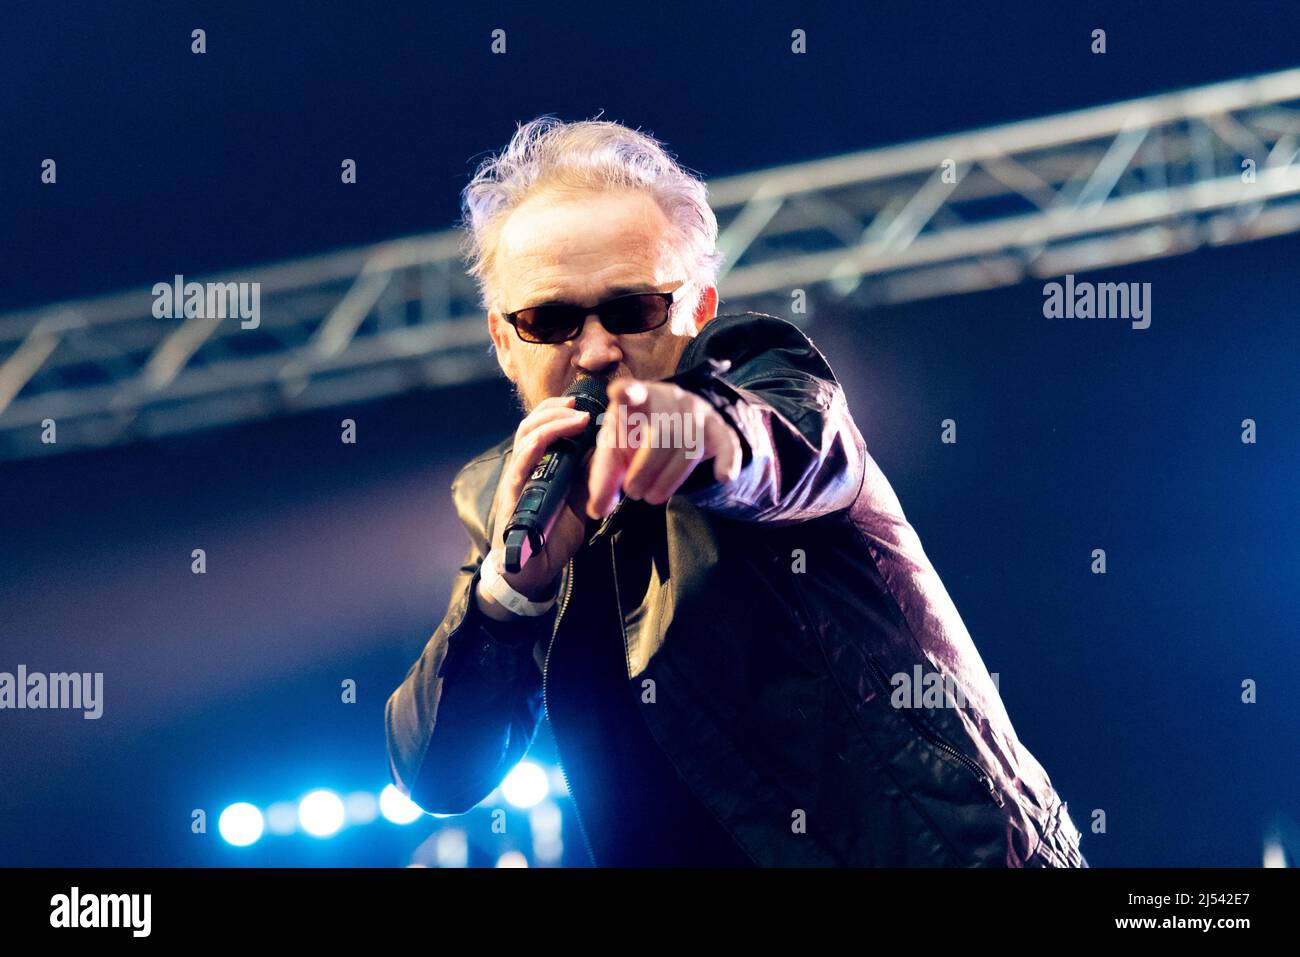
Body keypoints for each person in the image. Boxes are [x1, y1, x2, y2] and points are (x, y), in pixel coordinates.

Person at [385, 115, 1087, 867]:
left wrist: (701, 436)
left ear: (698, 310)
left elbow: (788, 445)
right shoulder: (508, 496)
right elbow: (438, 772)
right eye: (549, 319)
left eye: (632, 310)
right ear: (503, 340)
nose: (595, 349)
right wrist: (507, 595)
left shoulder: (765, 373)